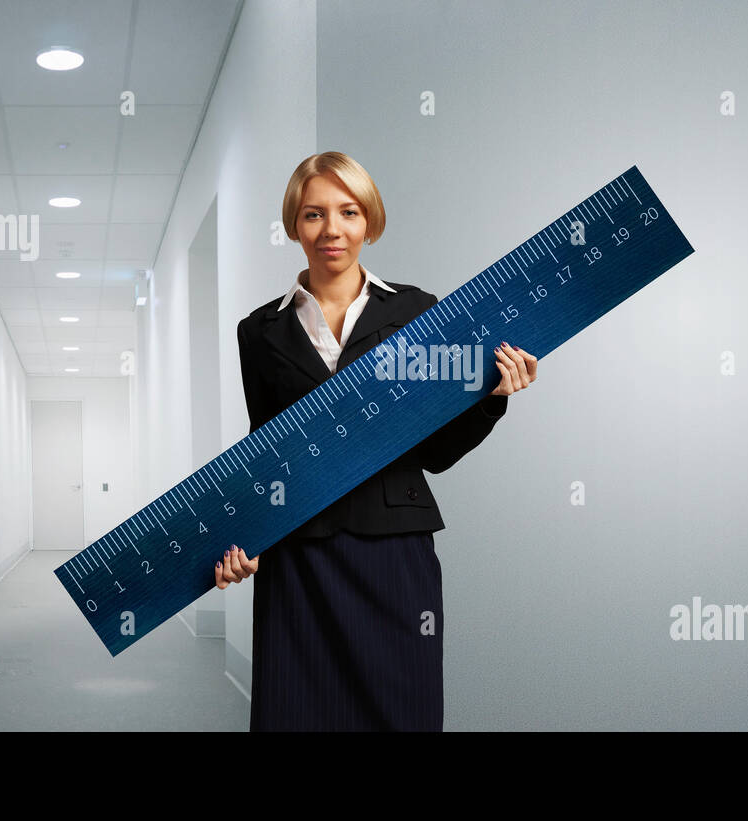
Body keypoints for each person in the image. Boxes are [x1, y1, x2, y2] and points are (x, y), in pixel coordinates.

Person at [223, 151, 537, 731]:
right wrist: (246, 540)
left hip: (392, 550)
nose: (332, 230)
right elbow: (265, 451)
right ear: (294, 224)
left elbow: (436, 453)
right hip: (298, 556)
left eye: (348, 211)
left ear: (369, 219)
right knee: (294, 713)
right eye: (314, 214)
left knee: (403, 711)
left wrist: (494, 399)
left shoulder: (424, 313)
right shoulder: (257, 331)